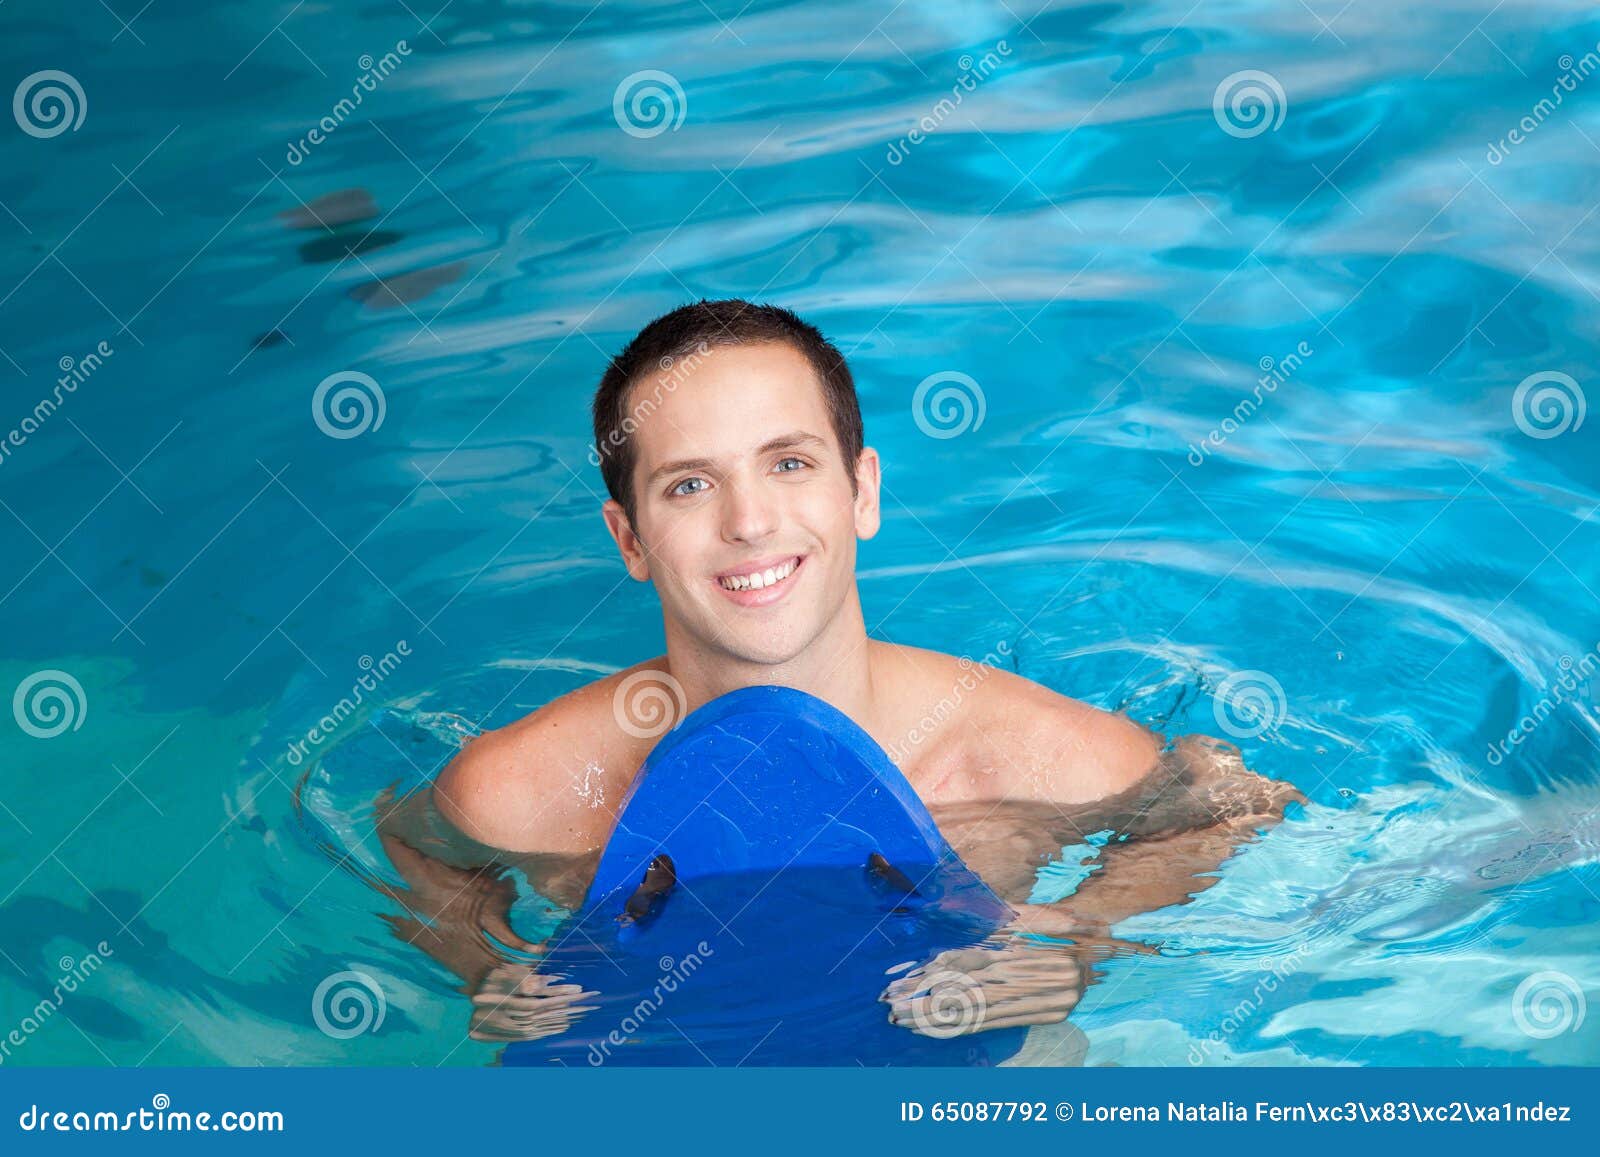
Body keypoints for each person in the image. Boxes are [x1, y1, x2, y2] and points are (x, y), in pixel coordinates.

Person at [375, 299, 1300, 1048]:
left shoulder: (1029, 750)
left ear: (862, 492)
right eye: (689, 484)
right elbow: (412, 841)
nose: (749, 522)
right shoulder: (524, 789)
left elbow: (1228, 804)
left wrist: (1081, 939)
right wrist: (481, 964)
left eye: (788, 462)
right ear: (629, 539)